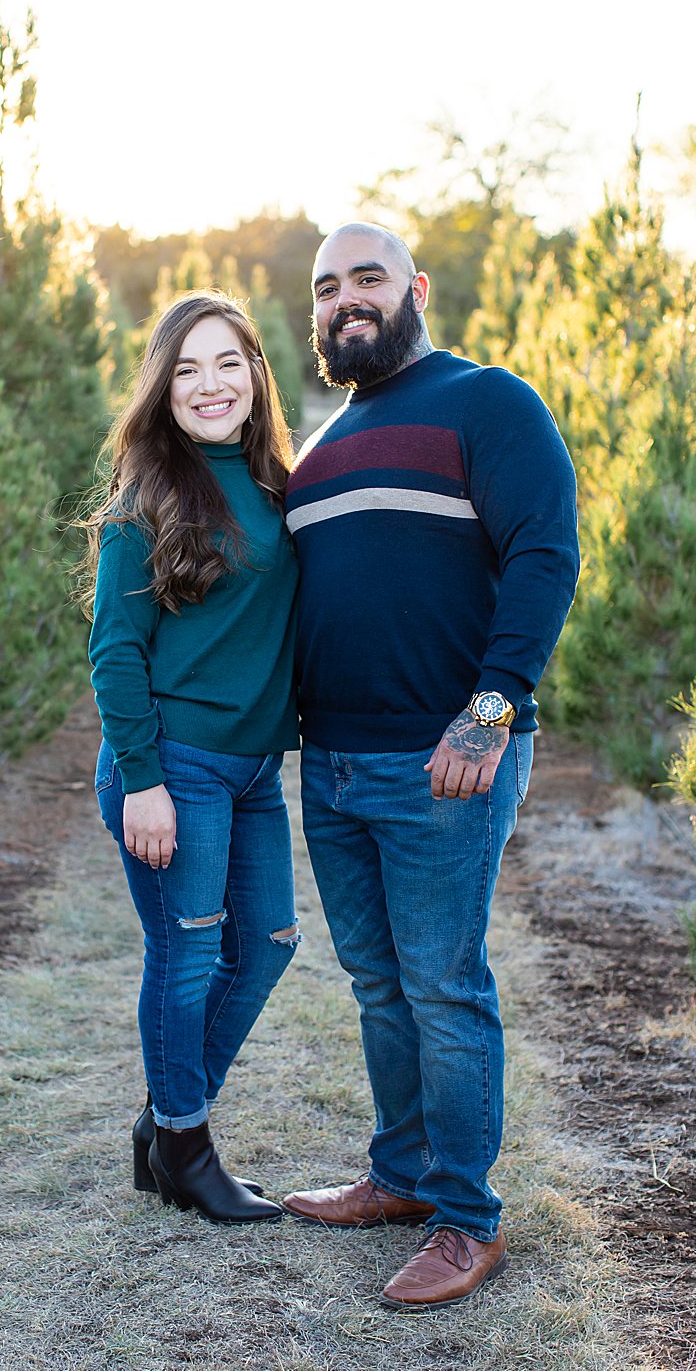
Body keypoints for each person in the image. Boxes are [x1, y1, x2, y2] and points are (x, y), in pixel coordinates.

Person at [278, 223, 578, 1310]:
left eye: (365, 278)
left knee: (443, 985)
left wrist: (488, 712)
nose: (344, 300)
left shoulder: (484, 402)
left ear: (412, 287)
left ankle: (465, 1219)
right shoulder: (319, 446)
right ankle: (399, 1177)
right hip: (336, 765)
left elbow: (544, 551)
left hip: (445, 756)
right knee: (375, 983)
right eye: (324, 288)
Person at [86, 289, 300, 1227]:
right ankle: (184, 1146)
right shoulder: (150, 494)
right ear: (162, 388)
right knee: (185, 958)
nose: (210, 385)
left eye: (228, 363)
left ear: (256, 372)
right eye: (187, 369)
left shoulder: (281, 483)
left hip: (255, 770)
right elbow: (114, 648)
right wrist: (143, 781)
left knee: (268, 946)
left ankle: (166, 1120)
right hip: (176, 765)